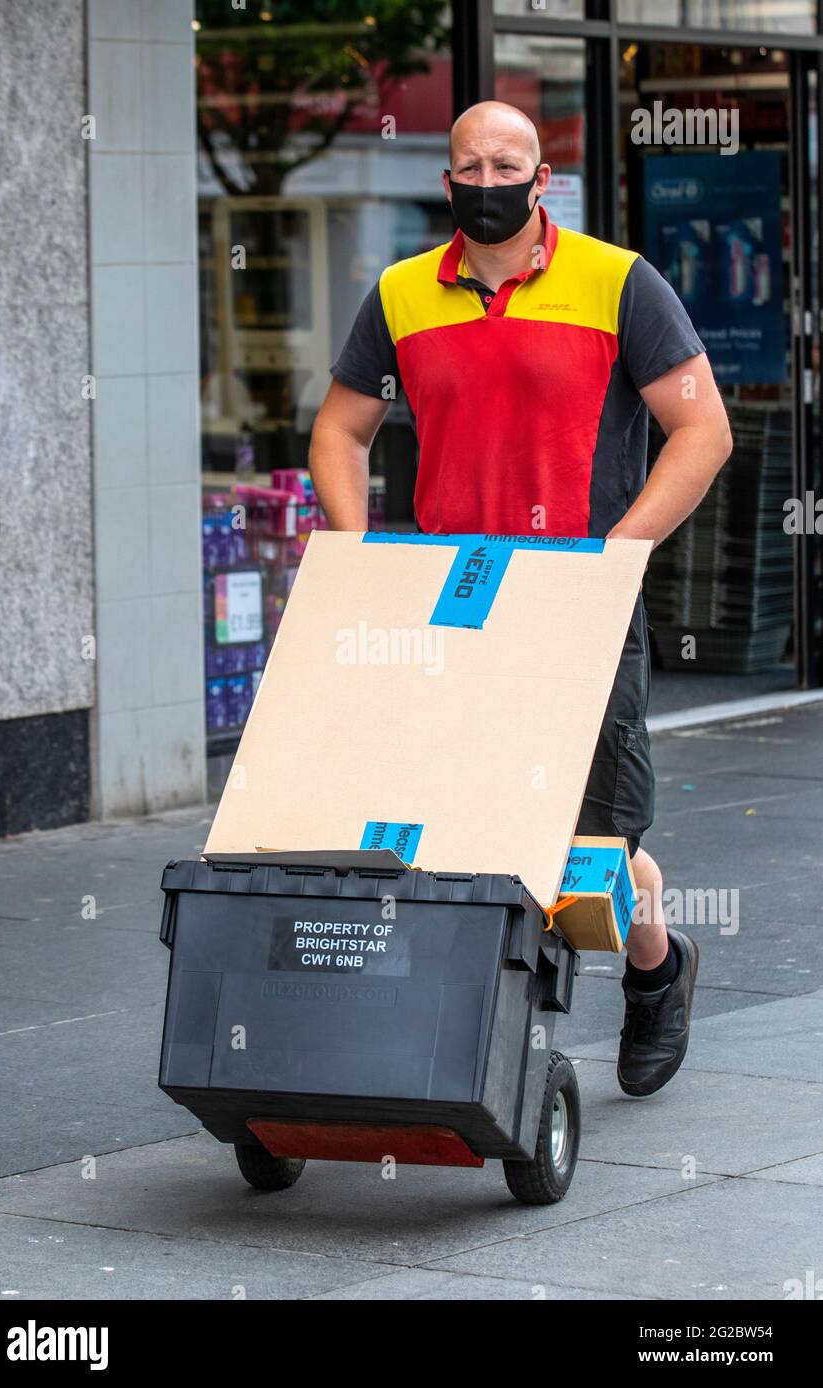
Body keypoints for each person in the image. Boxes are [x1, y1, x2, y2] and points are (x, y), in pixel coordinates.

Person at [309, 101, 733, 1097]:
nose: (488, 180)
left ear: (541, 180)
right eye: (470, 165)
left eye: (509, 164)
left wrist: (616, 553)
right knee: (455, 820)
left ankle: (654, 967)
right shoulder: (403, 295)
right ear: (447, 182)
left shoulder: (617, 283)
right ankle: (488, 1050)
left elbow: (700, 430)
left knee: (591, 839)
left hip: (577, 600)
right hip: (450, 607)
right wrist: (358, 552)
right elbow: (338, 432)